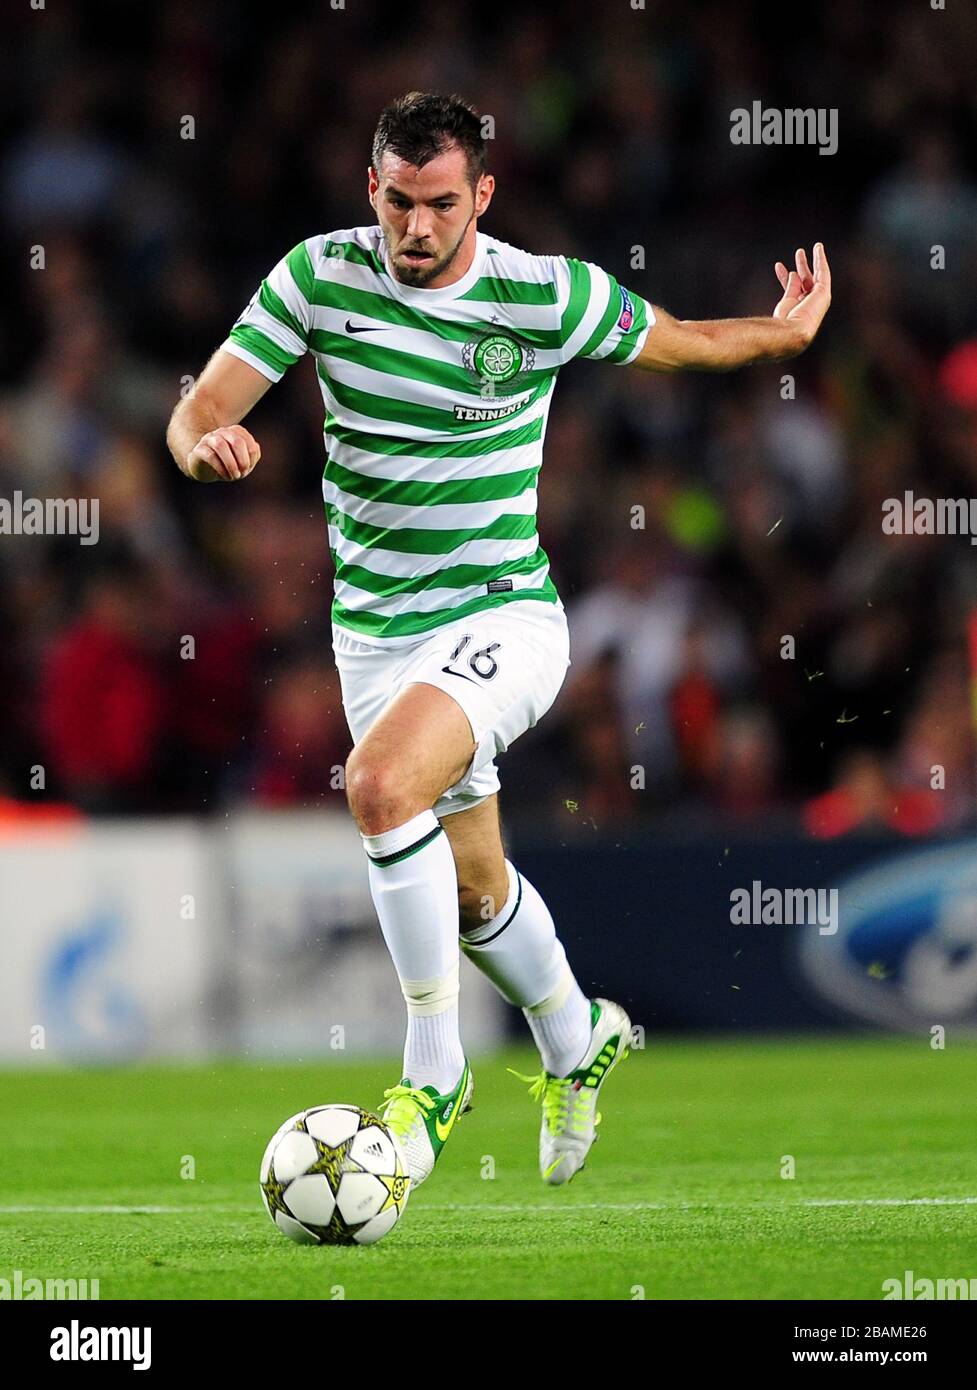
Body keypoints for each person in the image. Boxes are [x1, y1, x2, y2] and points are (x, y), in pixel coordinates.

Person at [166, 91, 831, 1189]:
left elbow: (679, 341)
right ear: (366, 188)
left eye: (438, 204)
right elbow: (201, 408)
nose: (414, 229)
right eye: (395, 203)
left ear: (482, 194)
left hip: (502, 617)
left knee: (379, 787)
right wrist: (206, 447)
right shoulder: (317, 278)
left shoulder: (540, 294)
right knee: (473, 897)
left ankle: (432, 1074)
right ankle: (577, 1036)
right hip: (375, 637)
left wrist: (782, 330)